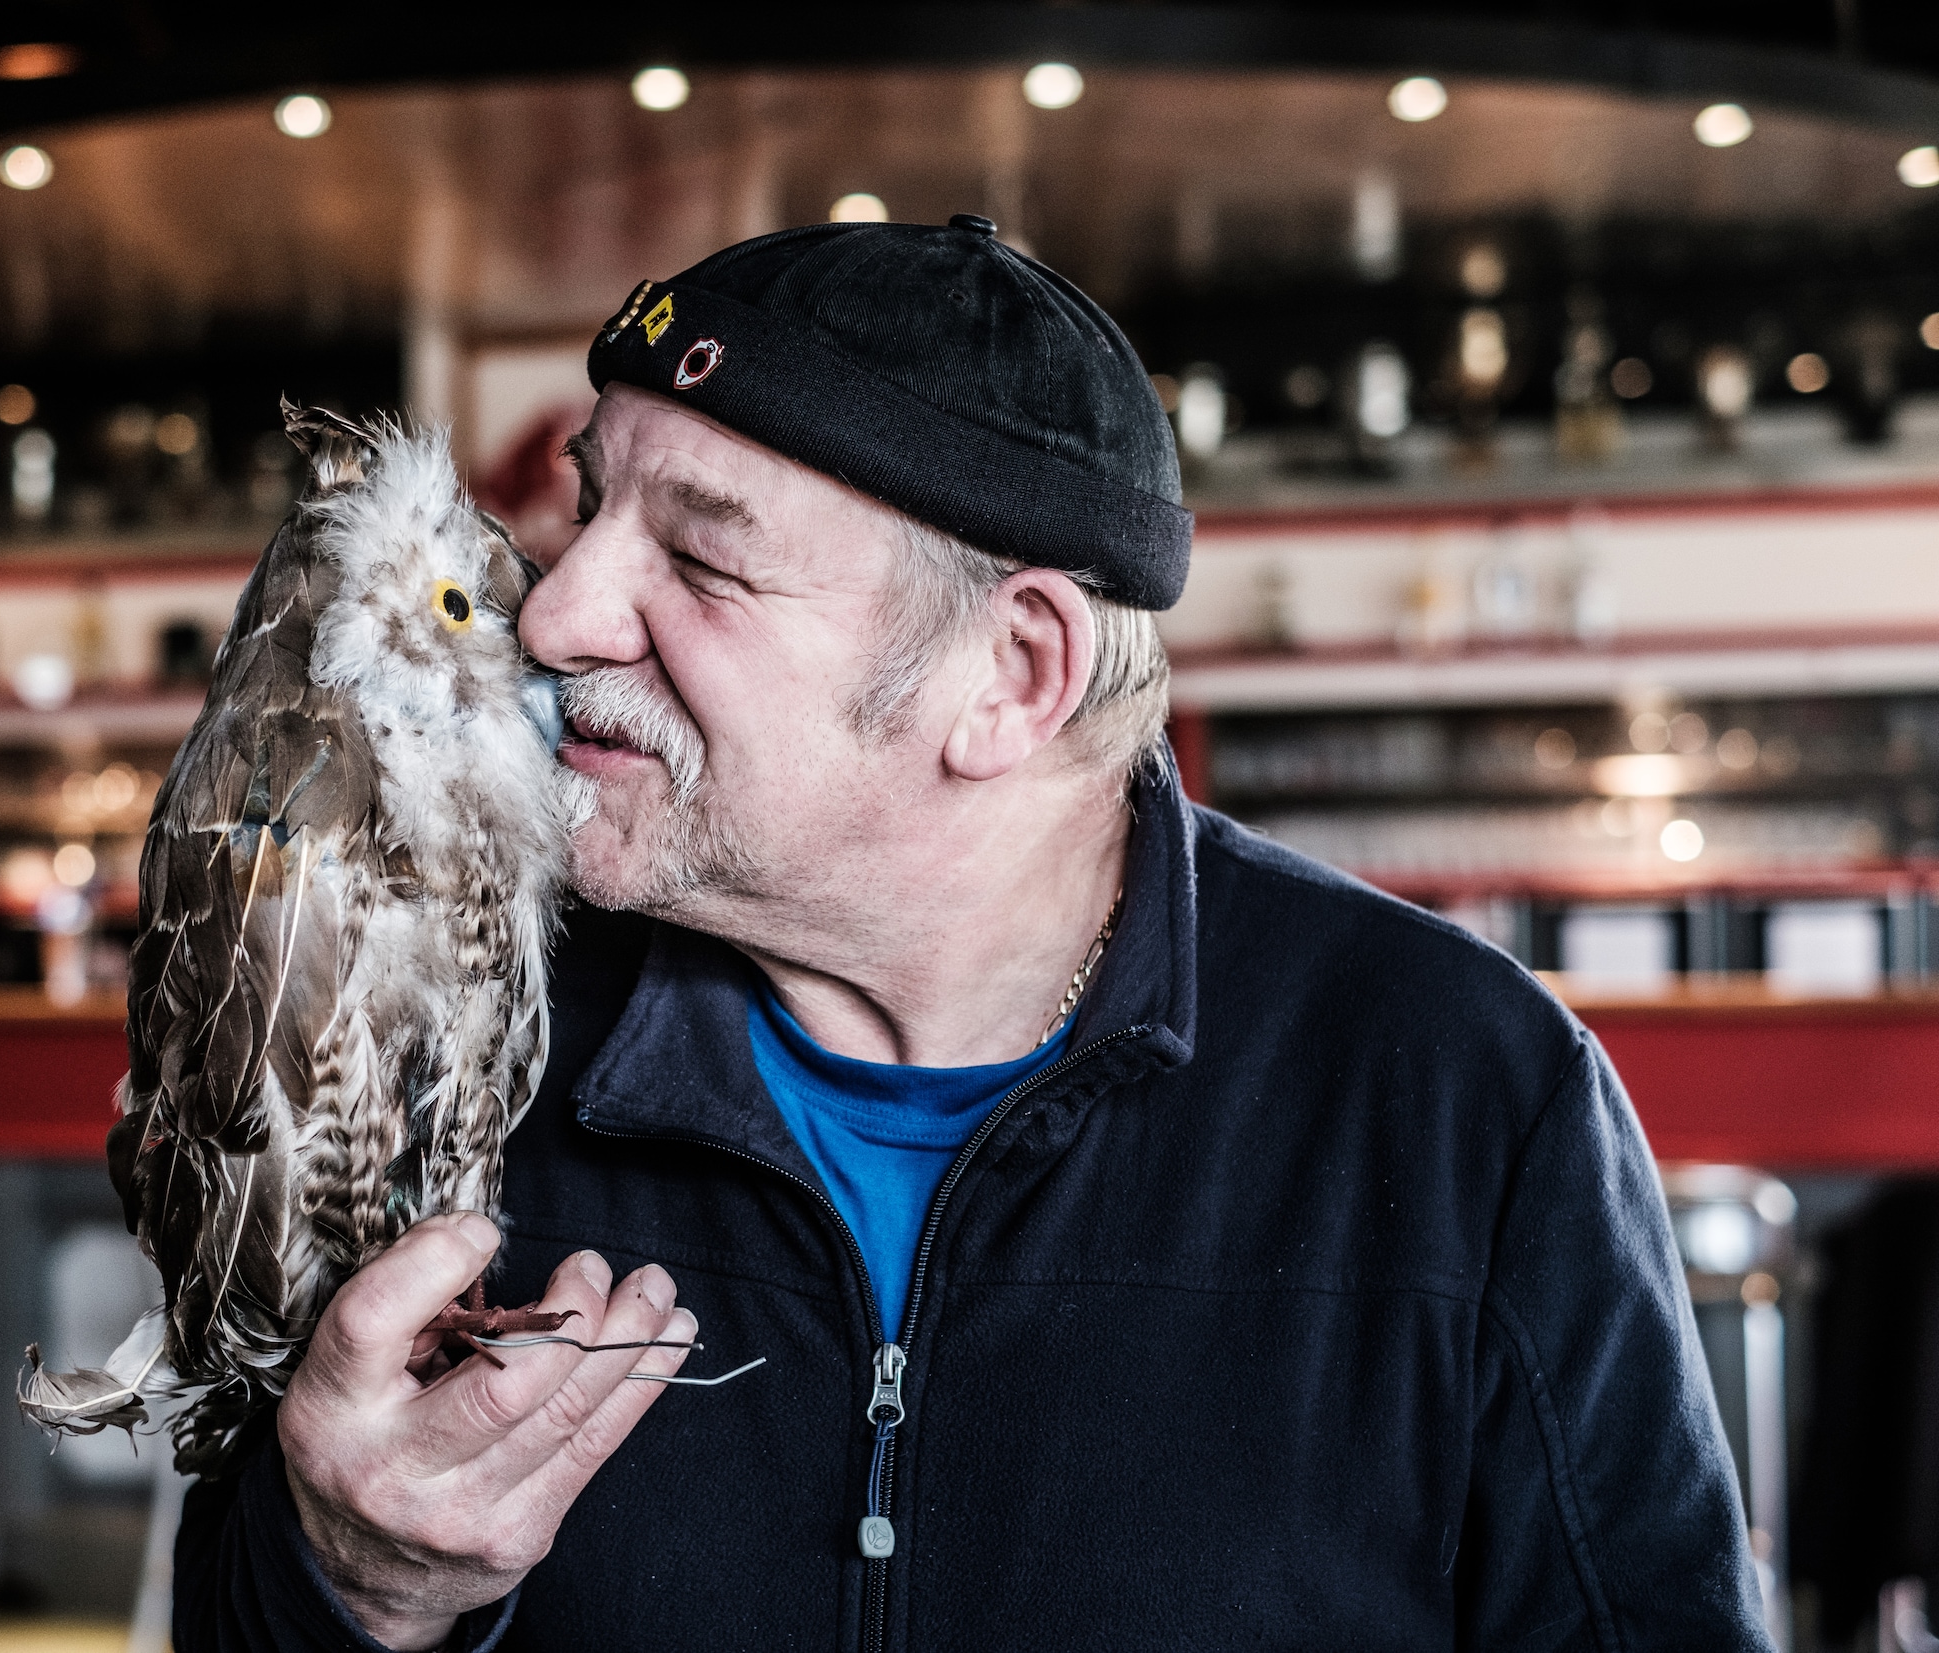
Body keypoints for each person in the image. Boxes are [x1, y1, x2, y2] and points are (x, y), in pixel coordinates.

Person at [173, 216, 1771, 1650]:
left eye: (701, 558)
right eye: (593, 508)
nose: (555, 611)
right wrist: (344, 1583)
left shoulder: (1458, 1096)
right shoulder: (465, 1021)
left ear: (1012, 674)